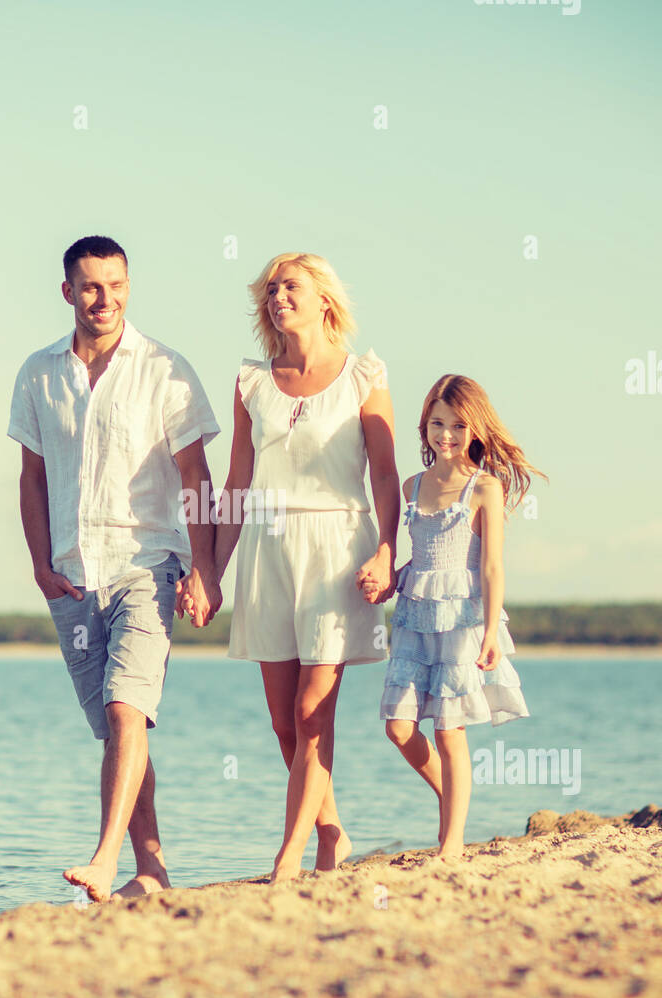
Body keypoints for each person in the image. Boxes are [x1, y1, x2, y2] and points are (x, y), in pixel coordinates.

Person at [7, 235, 221, 903]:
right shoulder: (39, 374)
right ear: (68, 291)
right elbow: (31, 478)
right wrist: (42, 567)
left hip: (146, 566)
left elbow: (196, 477)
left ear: (131, 284)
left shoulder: (165, 369)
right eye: (92, 287)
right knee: (117, 728)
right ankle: (151, 868)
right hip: (73, 578)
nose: (106, 299)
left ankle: (104, 860)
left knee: (129, 710)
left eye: (118, 284)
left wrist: (204, 568)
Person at [210, 252, 399, 884]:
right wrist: (209, 569)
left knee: (315, 710)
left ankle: (287, 857)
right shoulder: (251, 383)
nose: (277, 297)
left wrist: (387, 551)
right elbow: (236, 484)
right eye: (269, 290)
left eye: (291, 286)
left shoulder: (362, 376)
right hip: (268, 550)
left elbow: (384, 473)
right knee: (282, 717)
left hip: (337, 548)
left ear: (324, 300)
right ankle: (331, 831)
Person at [379, 374, 545, 862]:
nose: (445, 434)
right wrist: (387, 577)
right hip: (414, 617)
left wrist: (491, 632)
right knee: (399, 726)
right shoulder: (412, 486)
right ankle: (450, 795)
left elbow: (491, 565)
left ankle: (450, 844)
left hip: (463, 621)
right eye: (436, 423)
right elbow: (416, 555)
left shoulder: (484, 487)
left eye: (456, 424)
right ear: (425, 425)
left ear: (474, 428)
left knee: (449, 730)